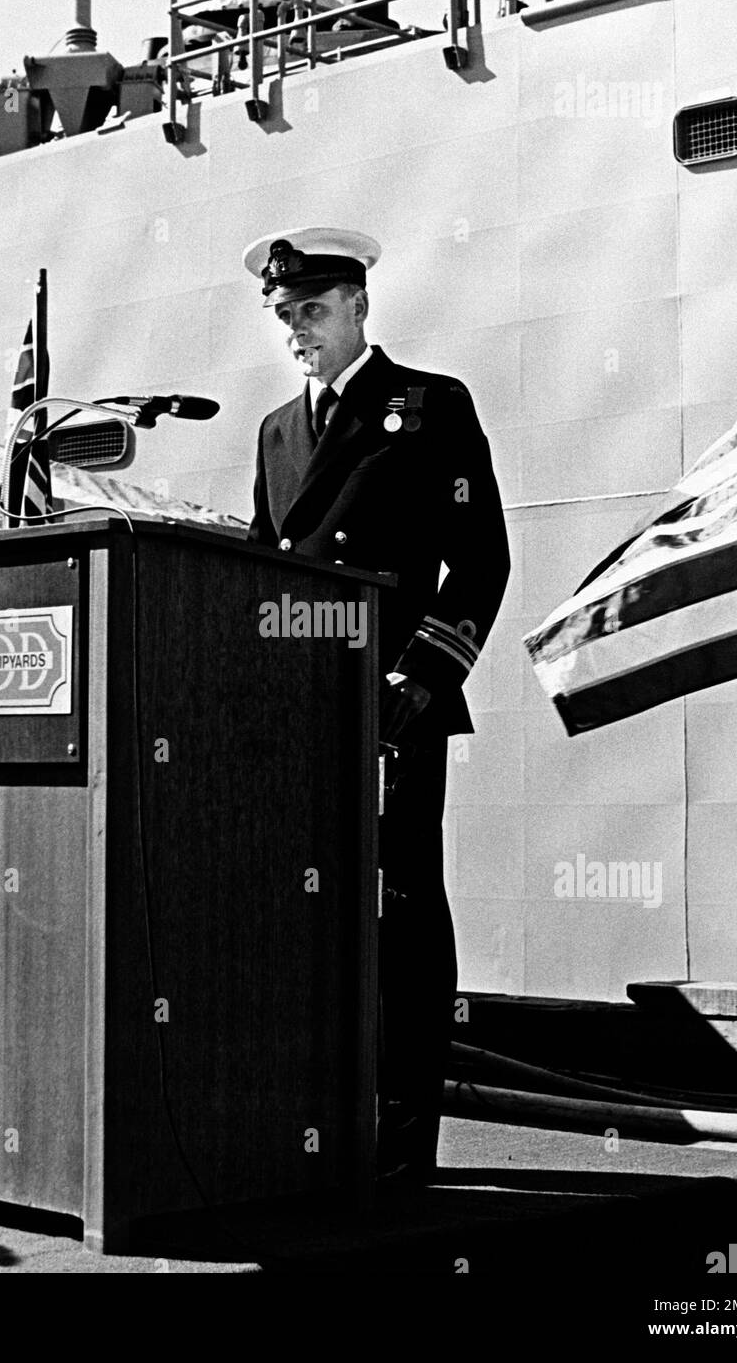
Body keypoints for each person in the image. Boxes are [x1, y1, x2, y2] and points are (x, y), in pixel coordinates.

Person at [243, 227, 510, 1180]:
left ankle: (402, 1143)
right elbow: (262, 567)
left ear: (359, 305)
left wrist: (422, 677)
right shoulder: (276, 432)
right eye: (284, 317)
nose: (297, 332)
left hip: (394, 703)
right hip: (302, 710)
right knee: (300, 914)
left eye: (312, 311)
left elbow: (480, 562)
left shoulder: (430, 407)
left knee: (399, 915)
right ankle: (316, 1122)